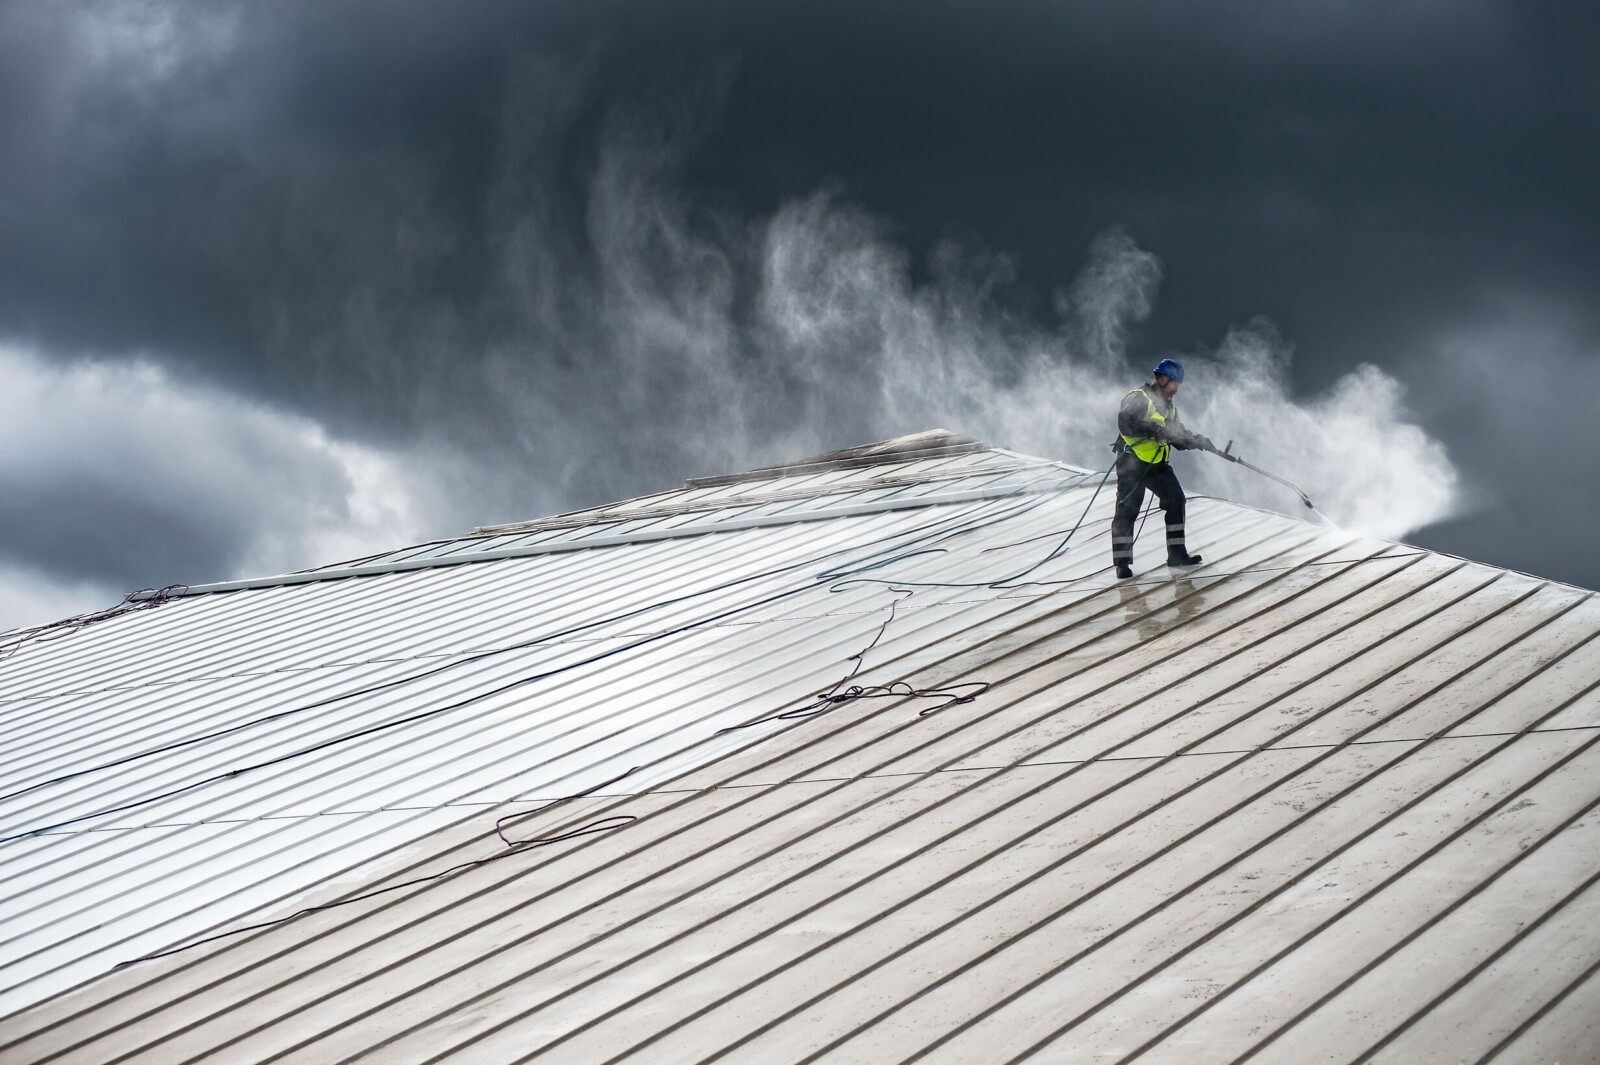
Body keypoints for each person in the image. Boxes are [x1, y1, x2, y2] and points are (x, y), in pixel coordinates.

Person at [1110, 358, 1215, 580]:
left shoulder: (1169, 407)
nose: (1177, 389)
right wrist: (1154, 430)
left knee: (1176, 500)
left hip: (1156, 465)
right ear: (1163, 379)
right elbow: (1125, 422)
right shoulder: (1140, 397)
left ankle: (1177, 555)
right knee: (1127, 510)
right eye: (1175, 383)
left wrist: (1195, 440)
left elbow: (1176, 434)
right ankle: (1122, 564)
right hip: (1132, 464)